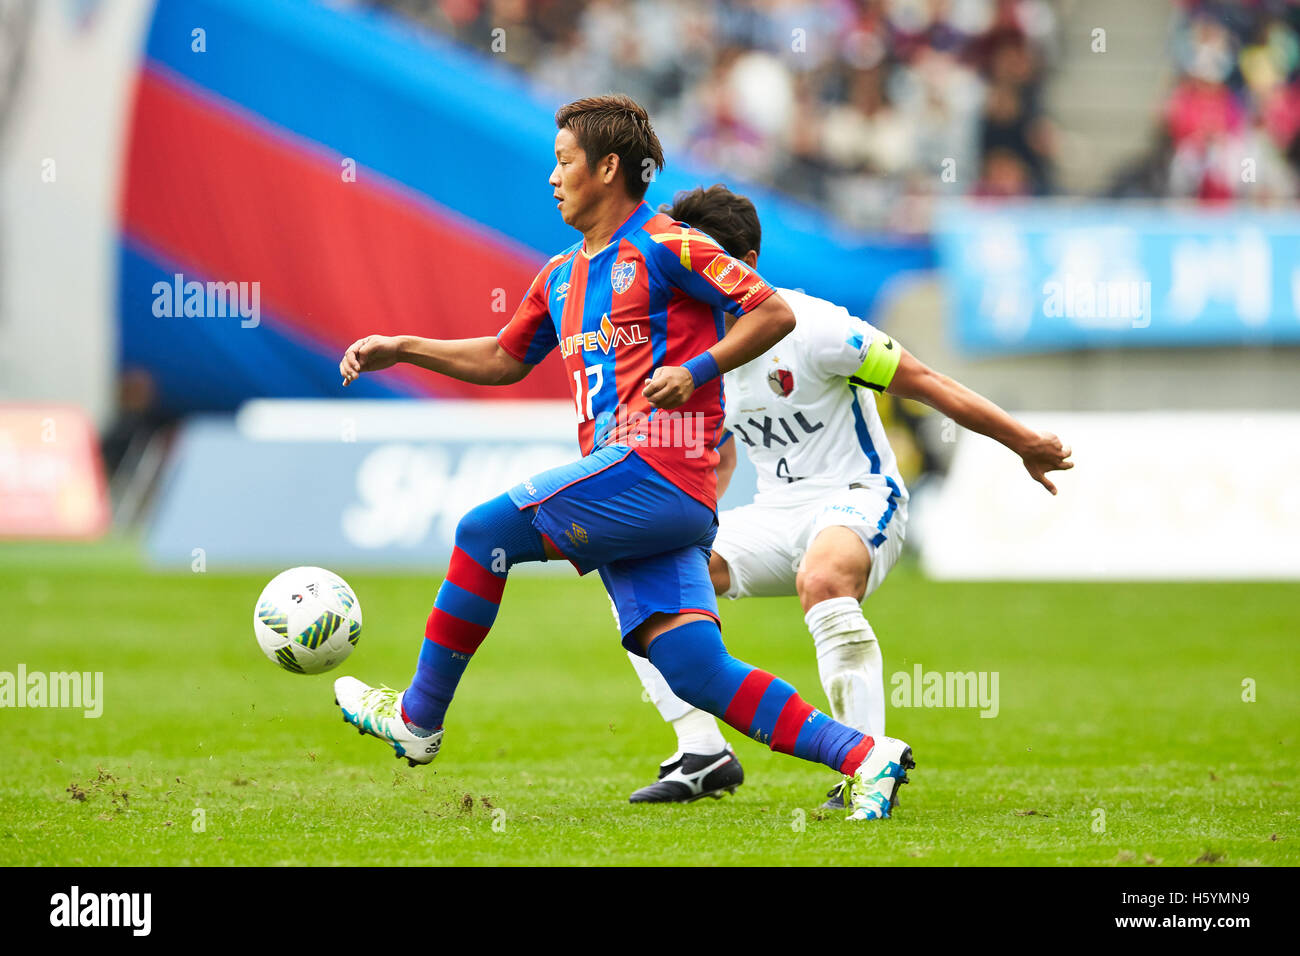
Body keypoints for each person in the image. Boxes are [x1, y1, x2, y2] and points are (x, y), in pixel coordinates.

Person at [333, 95, 915, 821]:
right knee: (693, 666)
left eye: (564, 162)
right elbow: (503, 358)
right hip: (639, 493)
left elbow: (773, 312)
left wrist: (697, 372)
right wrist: (404, 346)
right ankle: (867, 756)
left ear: (608, 169)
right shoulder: (558, 275)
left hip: (658, 467)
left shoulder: (672, 245)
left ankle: (418, 720)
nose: (552, 177)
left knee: (484, 533)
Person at [623, 185, 1073, 808]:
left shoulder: (818, 328)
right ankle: (702, 752)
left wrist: (1021, 440)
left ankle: (867, 765)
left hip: (859, 497)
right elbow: (717, 447)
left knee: (824, 576)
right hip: (775, 514)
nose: (695, 281)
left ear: (746, 261)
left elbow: (927, 383)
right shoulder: (689, 346)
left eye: (710, 264)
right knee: (647, 573)